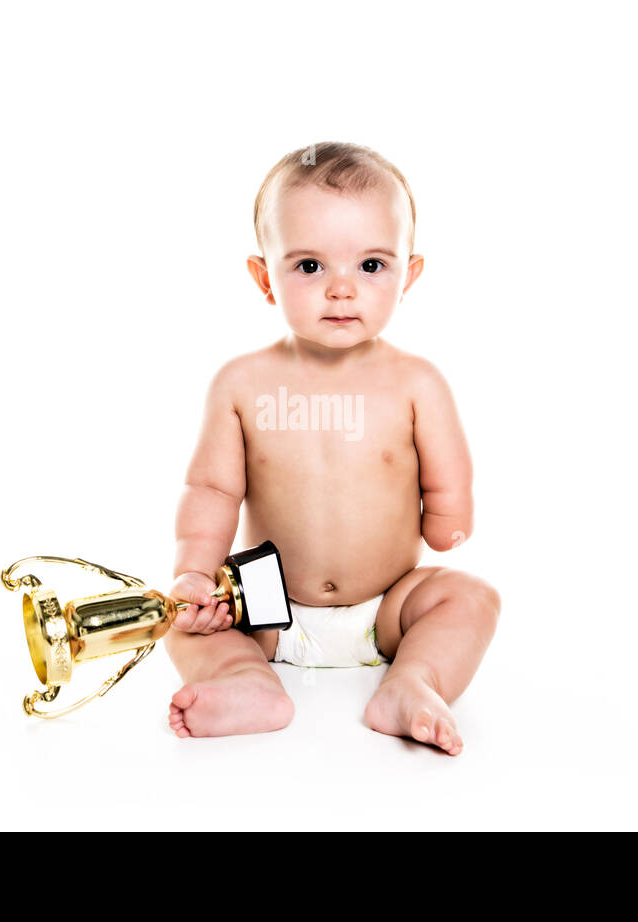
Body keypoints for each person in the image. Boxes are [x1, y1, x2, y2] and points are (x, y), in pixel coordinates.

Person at [165, 142, 500, 756]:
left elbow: (448, 476)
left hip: (388, 608)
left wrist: (450, 512)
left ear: (409, 274)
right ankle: (246, 680)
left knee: (470, 600)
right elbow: (212, 490)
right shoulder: (241, 384)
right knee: (180, 624)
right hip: (269, 602)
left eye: (371, 266)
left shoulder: (416, 382)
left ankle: (413, 680)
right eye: (310, 266)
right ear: (265, 276)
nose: (341, 290)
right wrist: (193, 571)